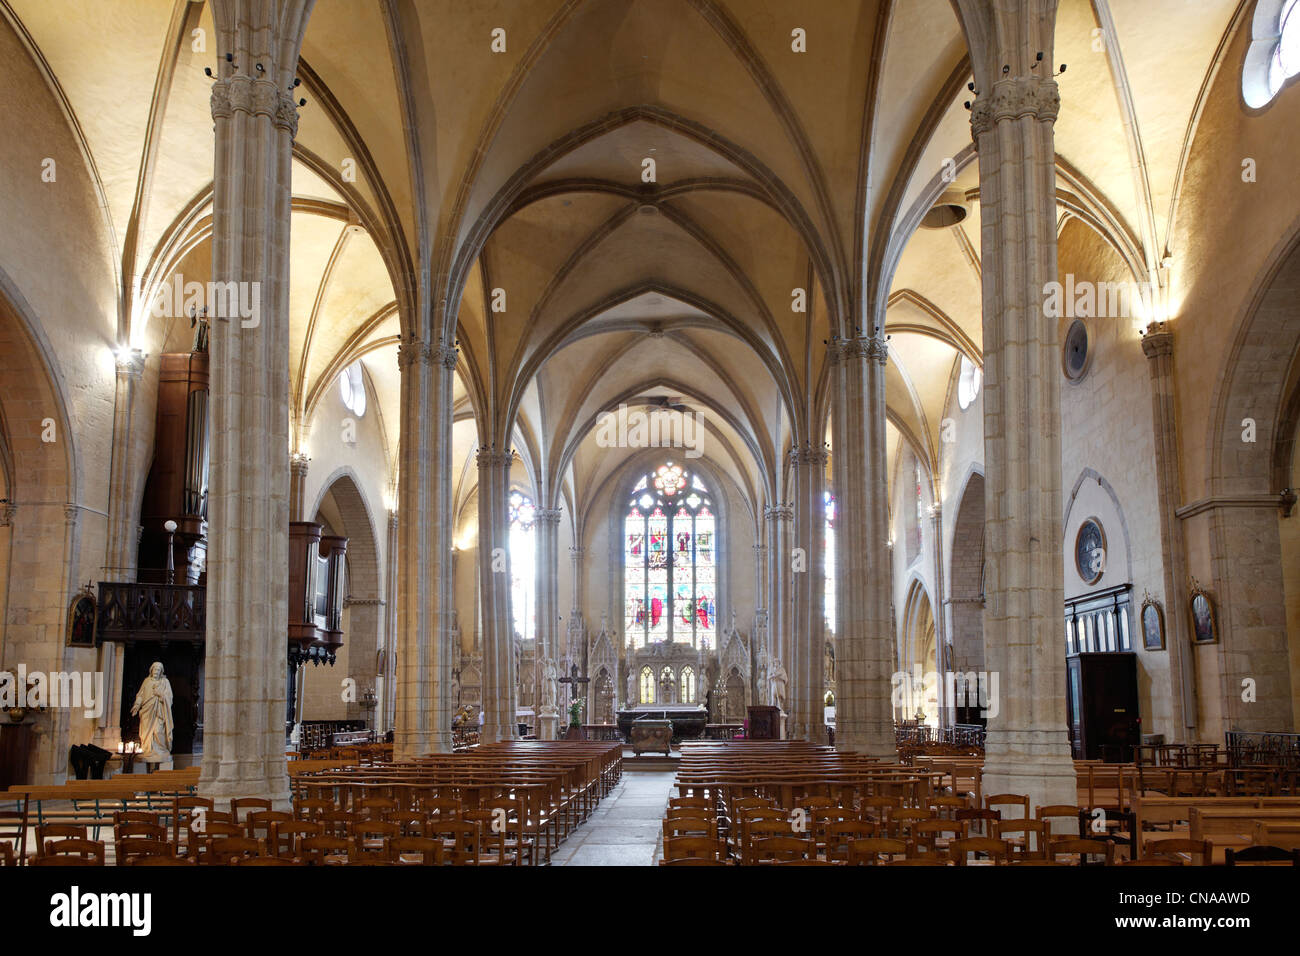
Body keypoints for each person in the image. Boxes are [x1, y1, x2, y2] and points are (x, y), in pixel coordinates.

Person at [130, 662, 174, 764]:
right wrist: (136, 705)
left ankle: (160, 750)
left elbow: (169, 697)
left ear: (161, 672)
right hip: (147, 711)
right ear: (151, 670)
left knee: (159, 731)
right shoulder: (146, 681)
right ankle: (148, 750)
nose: (156, 672)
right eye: (155, 669)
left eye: (159, 670)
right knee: (146, 732)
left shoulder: (165, 682)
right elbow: (141, 695)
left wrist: (160, 695)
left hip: (159, 712)